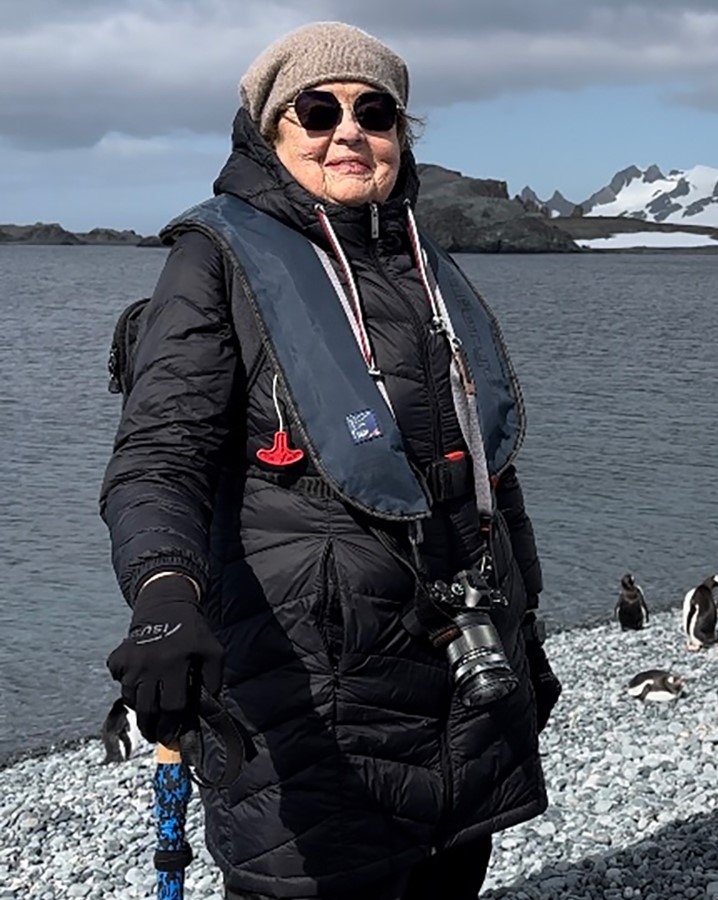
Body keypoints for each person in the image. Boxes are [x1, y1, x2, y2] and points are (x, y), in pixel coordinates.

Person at [101, 21, 561, 900]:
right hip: (311, 687)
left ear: (400, 136)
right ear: (271, 135)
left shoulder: (427, 265)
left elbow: (490, 471)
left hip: (465, 671)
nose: (348, 130)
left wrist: (527, 631)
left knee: (449, 871)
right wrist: (163, 596)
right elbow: (160, 456)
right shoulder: (217, 260)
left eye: (374, 111)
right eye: (316, 110)